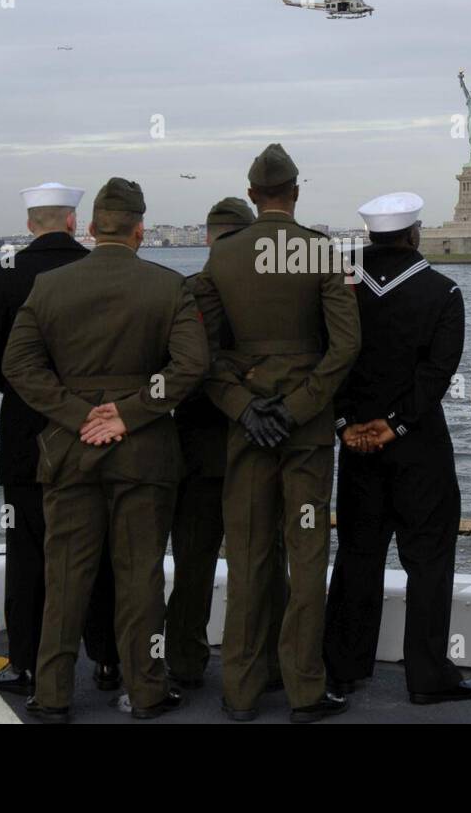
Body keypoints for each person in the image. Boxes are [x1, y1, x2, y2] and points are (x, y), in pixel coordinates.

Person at [3, 177, 208, 722]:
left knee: (65, 576)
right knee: (140, 577)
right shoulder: (169, 287)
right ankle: (146, 690)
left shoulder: (48, 287)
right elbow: (190, 365)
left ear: (92, 228)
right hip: (145, 455)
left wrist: (76, 415)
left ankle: (50, 694)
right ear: (140, 229)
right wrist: (132, 410)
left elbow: (18, 366)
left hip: (69, 452)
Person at [191, 143, 361, 722]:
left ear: (251, 194)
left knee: (247, 555)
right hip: (305, 433)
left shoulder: (222, 258)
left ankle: (240, 691)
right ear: (296, 191)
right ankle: (304, 690)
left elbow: (203, 355)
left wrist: (245, 407)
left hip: (248, 431)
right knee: (307, 555)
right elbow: (346, 347)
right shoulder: (322, 252)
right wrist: (300, 406)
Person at [323, 192, 471, 705]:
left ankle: (342, 669)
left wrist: (347, 421)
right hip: (420, 448)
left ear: (371, 235)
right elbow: (437, 373)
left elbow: (327, 358)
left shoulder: (340, 287)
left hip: (355, 446)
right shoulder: (443, 291)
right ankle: (428, 675)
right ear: (414, 234)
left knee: (356, 556)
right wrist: (396, 424)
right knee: (429, 561)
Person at [0, 182, 120, 698]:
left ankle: (26, 663)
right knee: (100, 550)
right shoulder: (99, 269)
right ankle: (108, 659)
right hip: (95, 430)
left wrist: (31, 393)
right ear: (74, 222)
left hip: (26, 433)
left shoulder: (4, 275)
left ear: (31, 223)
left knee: (29, 551)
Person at [167, 197, 287, 690]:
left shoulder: (185, 293)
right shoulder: (275, 295)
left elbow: (177, 369)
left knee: (193, 560)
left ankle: (184, 659)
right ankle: (271, 662)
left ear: (208, 237)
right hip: (261, 439)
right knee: (263, 557)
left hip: (197, 443)